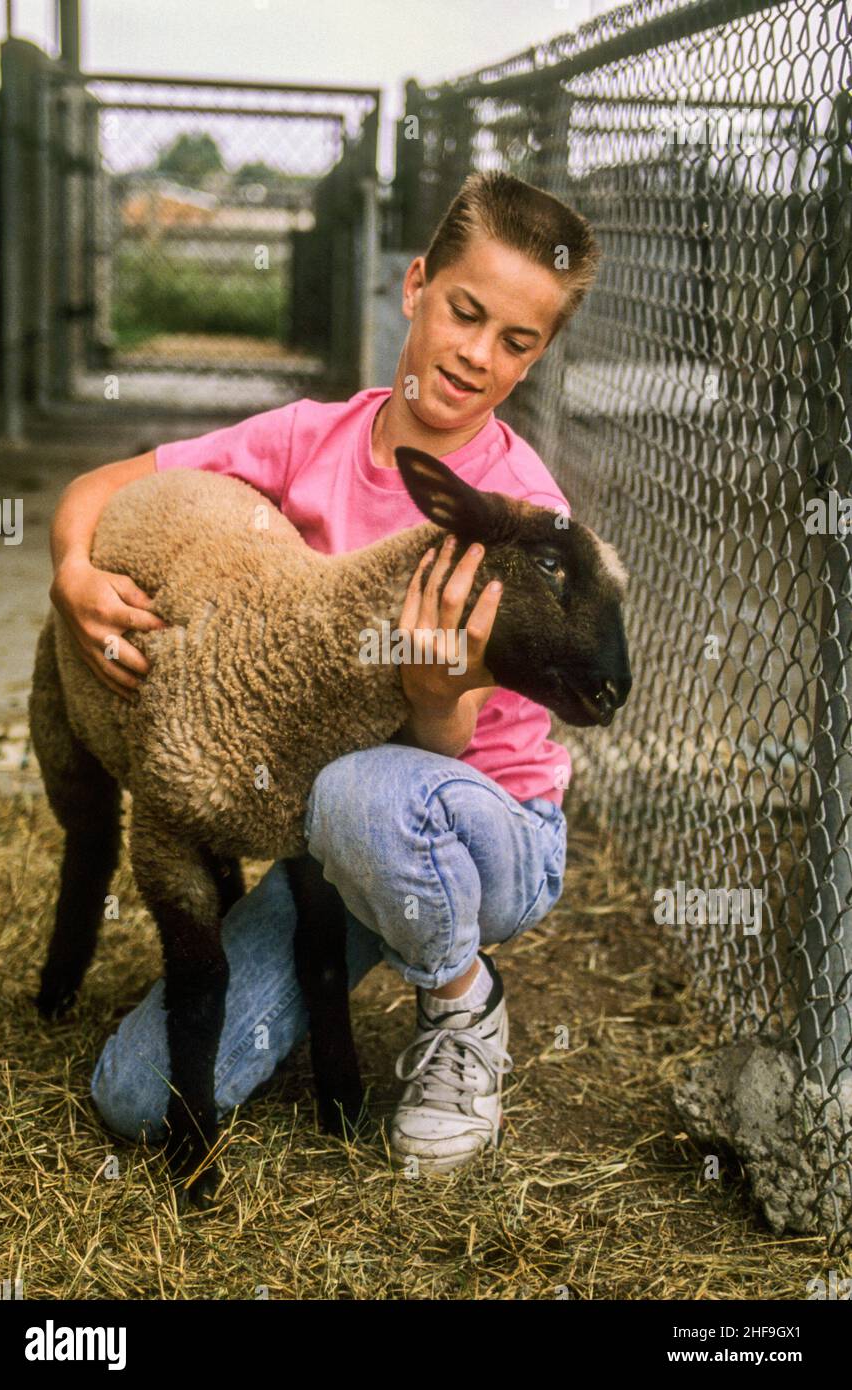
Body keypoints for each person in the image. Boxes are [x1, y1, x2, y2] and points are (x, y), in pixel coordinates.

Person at [47, 169, 601, 1175]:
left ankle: (462, 1004)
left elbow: (438, 752)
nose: (477, 355)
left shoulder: (516, 516)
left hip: (481, 828)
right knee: (137, 1097)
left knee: (360, 785)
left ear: (538, 356)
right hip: (335, 827)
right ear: (416, 285)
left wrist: (433, 692)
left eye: (516, 342)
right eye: (464, 313)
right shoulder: (310, 440)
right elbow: (101, 484)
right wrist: (74, 572)